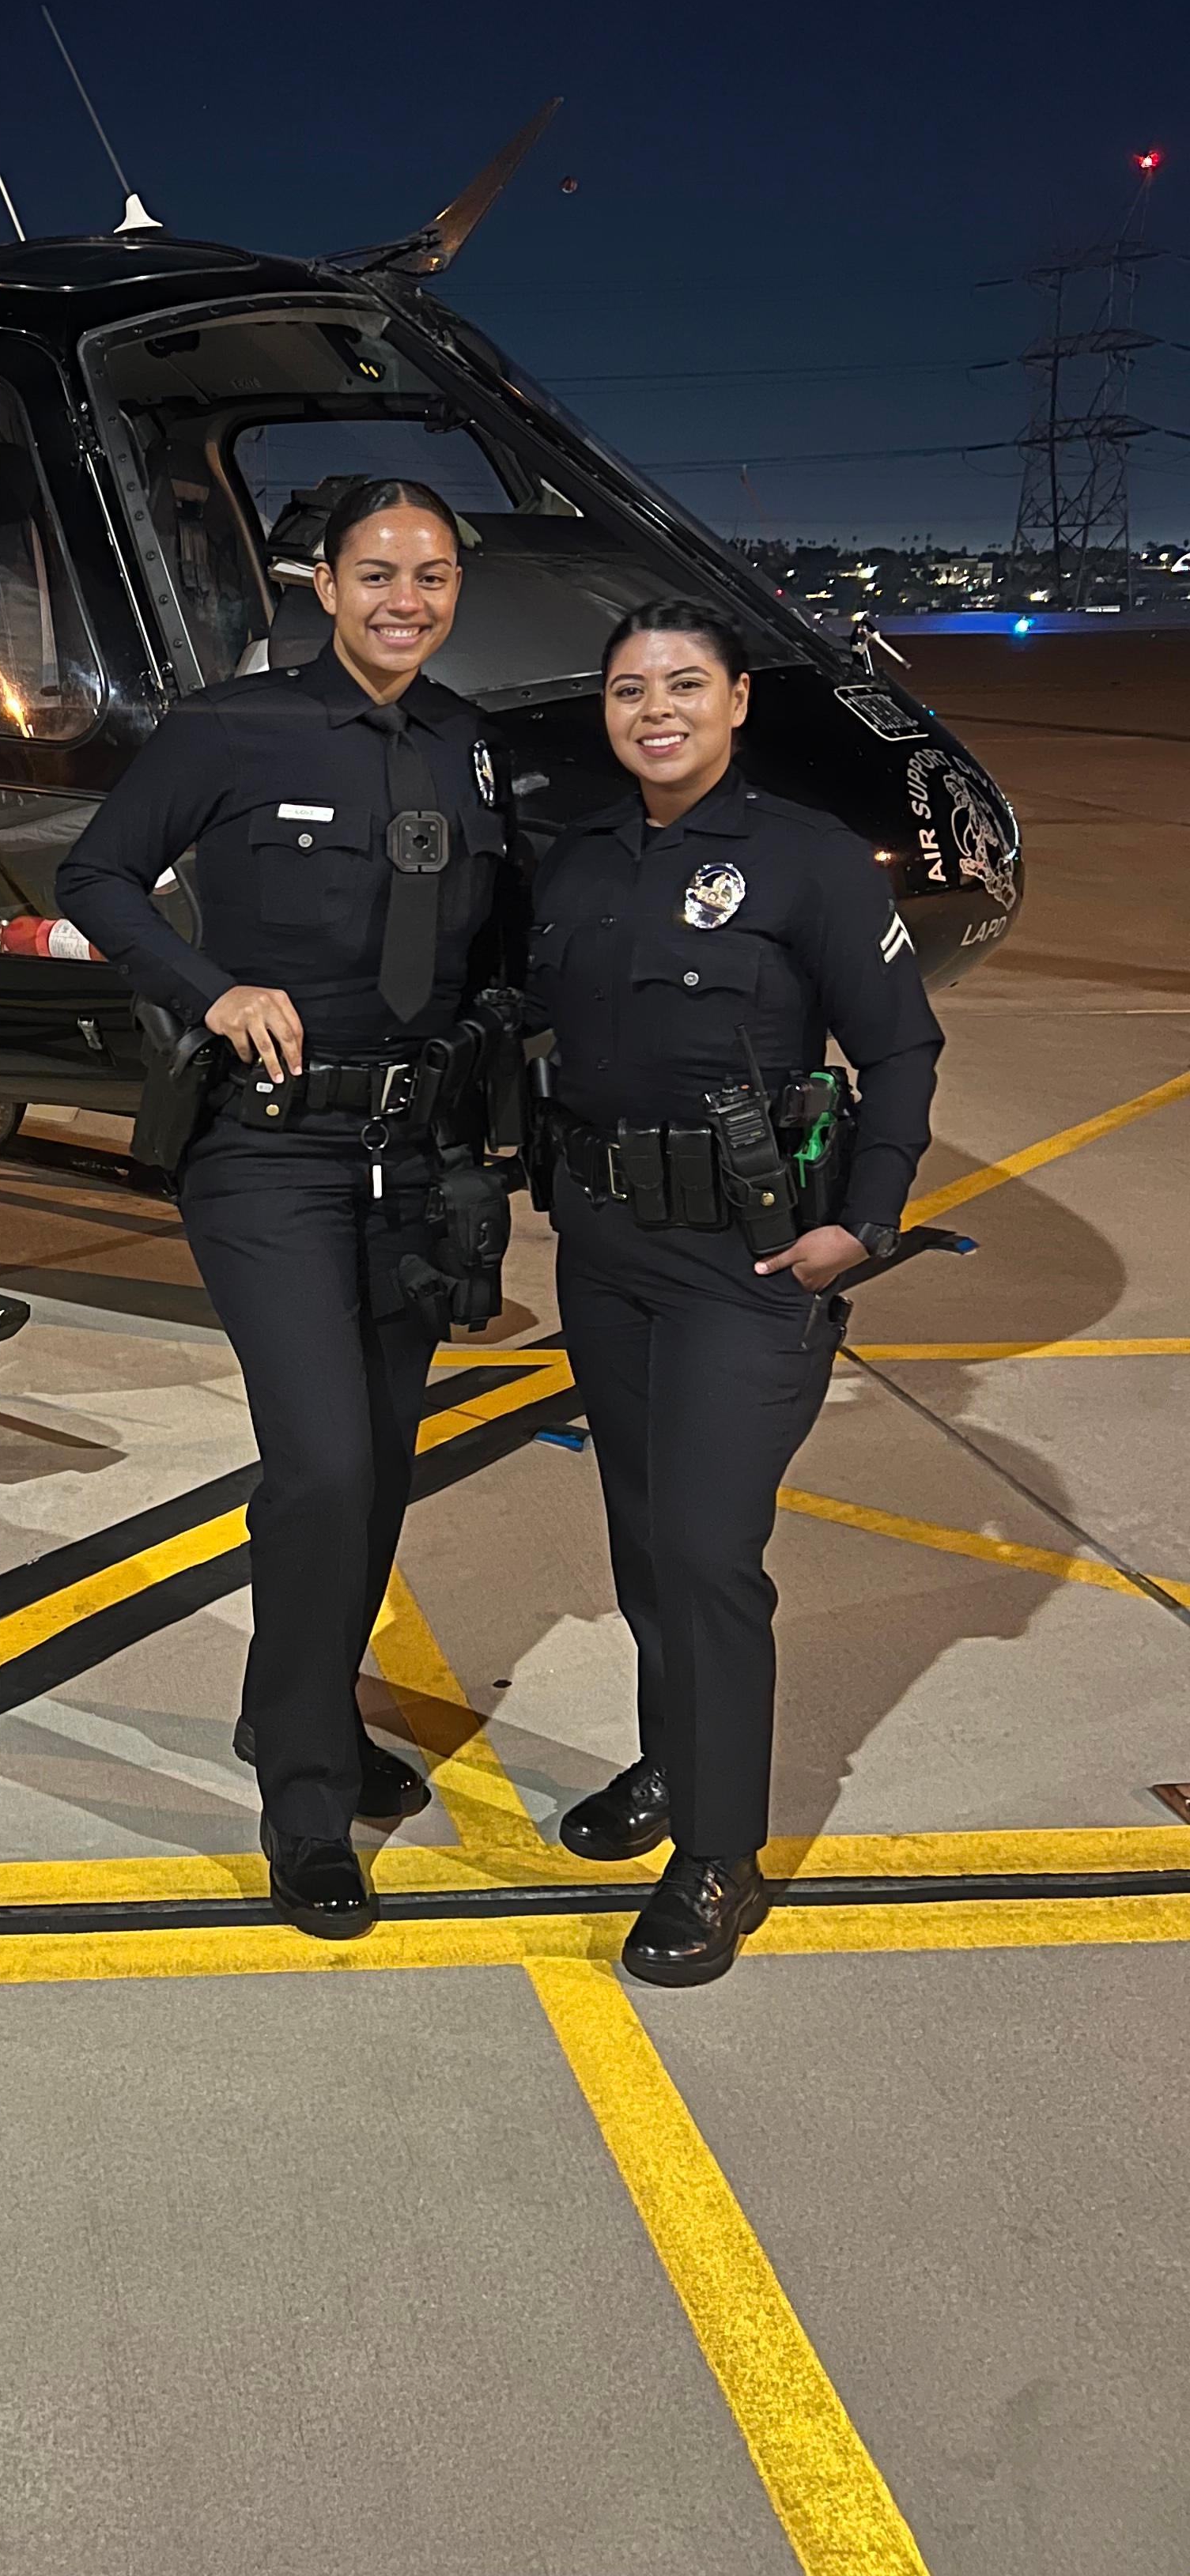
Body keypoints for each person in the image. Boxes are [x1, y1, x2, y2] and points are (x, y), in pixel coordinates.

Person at [58, 478, 524, 1940]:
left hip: (414, 1163)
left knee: (378, 1465)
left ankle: (294, 1713)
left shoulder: (468, 747)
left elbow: (502, 952)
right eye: (377, 571)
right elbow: (98, 873)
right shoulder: (229, 726)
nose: (406, 597)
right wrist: (212, 987)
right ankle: (307, 1803)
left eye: (433, 575)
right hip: (265, 1153)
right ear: (321, 582)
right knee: (320, 1459)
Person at [531, 598, 943, 1987]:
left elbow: (901, 1052)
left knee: (707, 1550)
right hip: (604, 1250)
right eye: (632, 686)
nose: (658, 709)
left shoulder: (806, 859)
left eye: (686, 685)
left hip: (748, 1264)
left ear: (740, 700)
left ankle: (721, 1857)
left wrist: (866, 1224)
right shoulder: (577, 858)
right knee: (646, 1542)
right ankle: (673, 1761)